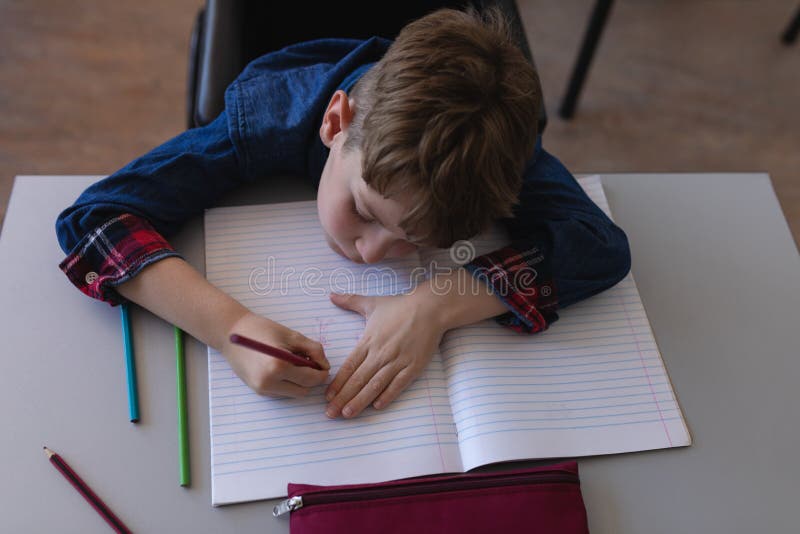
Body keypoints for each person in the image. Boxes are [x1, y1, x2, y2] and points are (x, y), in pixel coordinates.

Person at [55, 8, 630, 420]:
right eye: (363, 210)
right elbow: (96, 219)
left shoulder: (493, 152)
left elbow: (600, 245)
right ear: (336, 123)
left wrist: (436, 301)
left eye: (416, 241)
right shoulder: (271, 115)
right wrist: (230, 331)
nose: (373, 253)